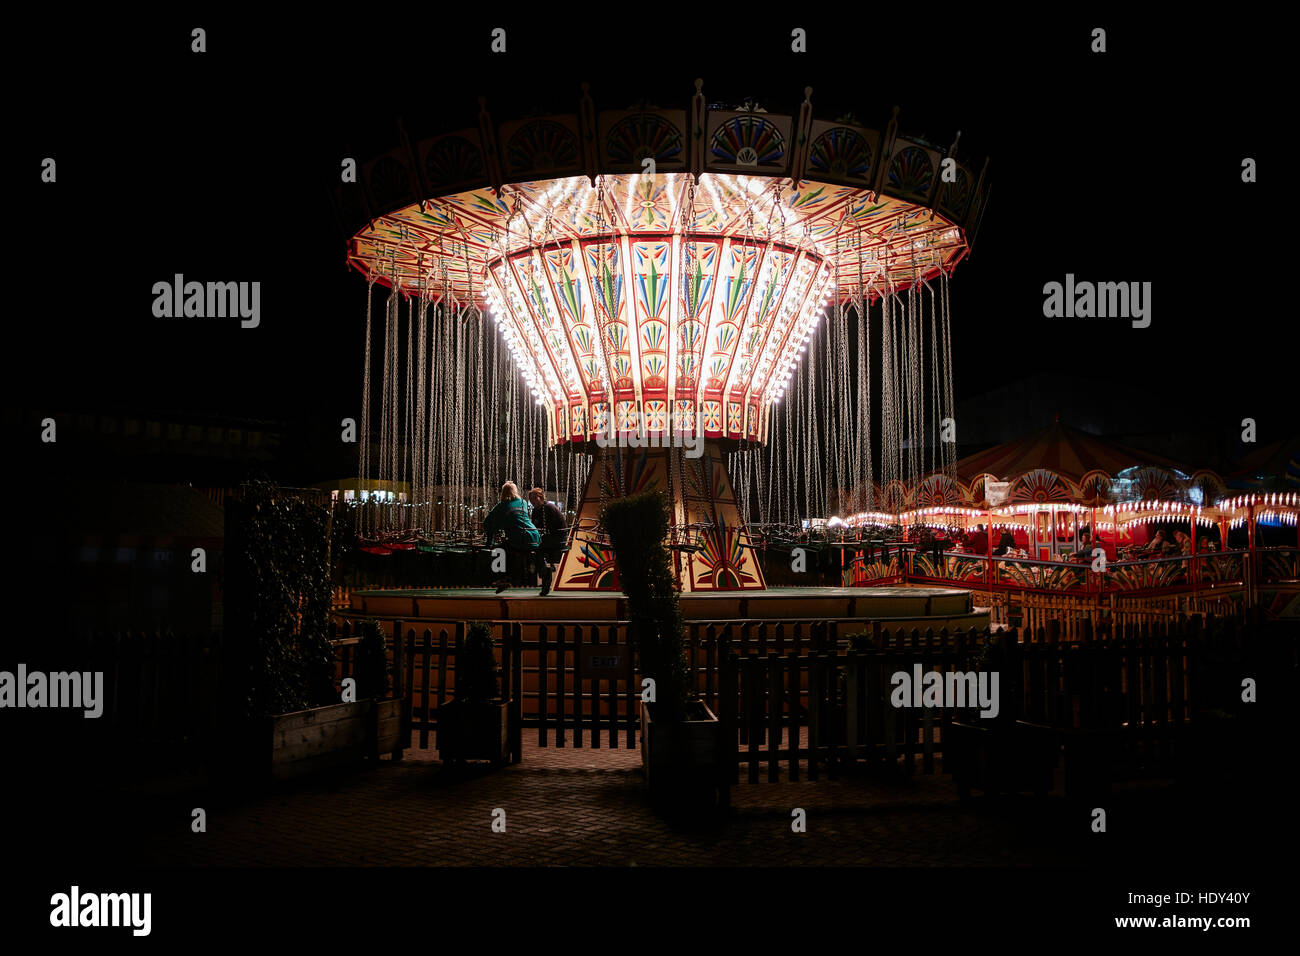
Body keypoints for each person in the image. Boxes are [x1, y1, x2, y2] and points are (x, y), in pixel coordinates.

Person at [483, 481, 541, 593]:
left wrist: (489, 543)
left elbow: (488, 524)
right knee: (513, 551)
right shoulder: (523, 502)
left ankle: (501, 578)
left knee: (498, 550)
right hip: (534, 536)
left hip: (520, 539)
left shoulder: (502, 505)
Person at [528, 487, 567, 596]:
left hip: (558, 538)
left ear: (540, 497)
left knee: (537, 550)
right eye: (530, 499)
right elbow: (535, 527)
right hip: (547, 538)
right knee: (535, 550)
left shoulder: (549, 508)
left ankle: (544, 570)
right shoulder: (535, 510)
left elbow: (559, 527)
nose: (531, 501)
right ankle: (545, 571)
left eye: (533, 498)